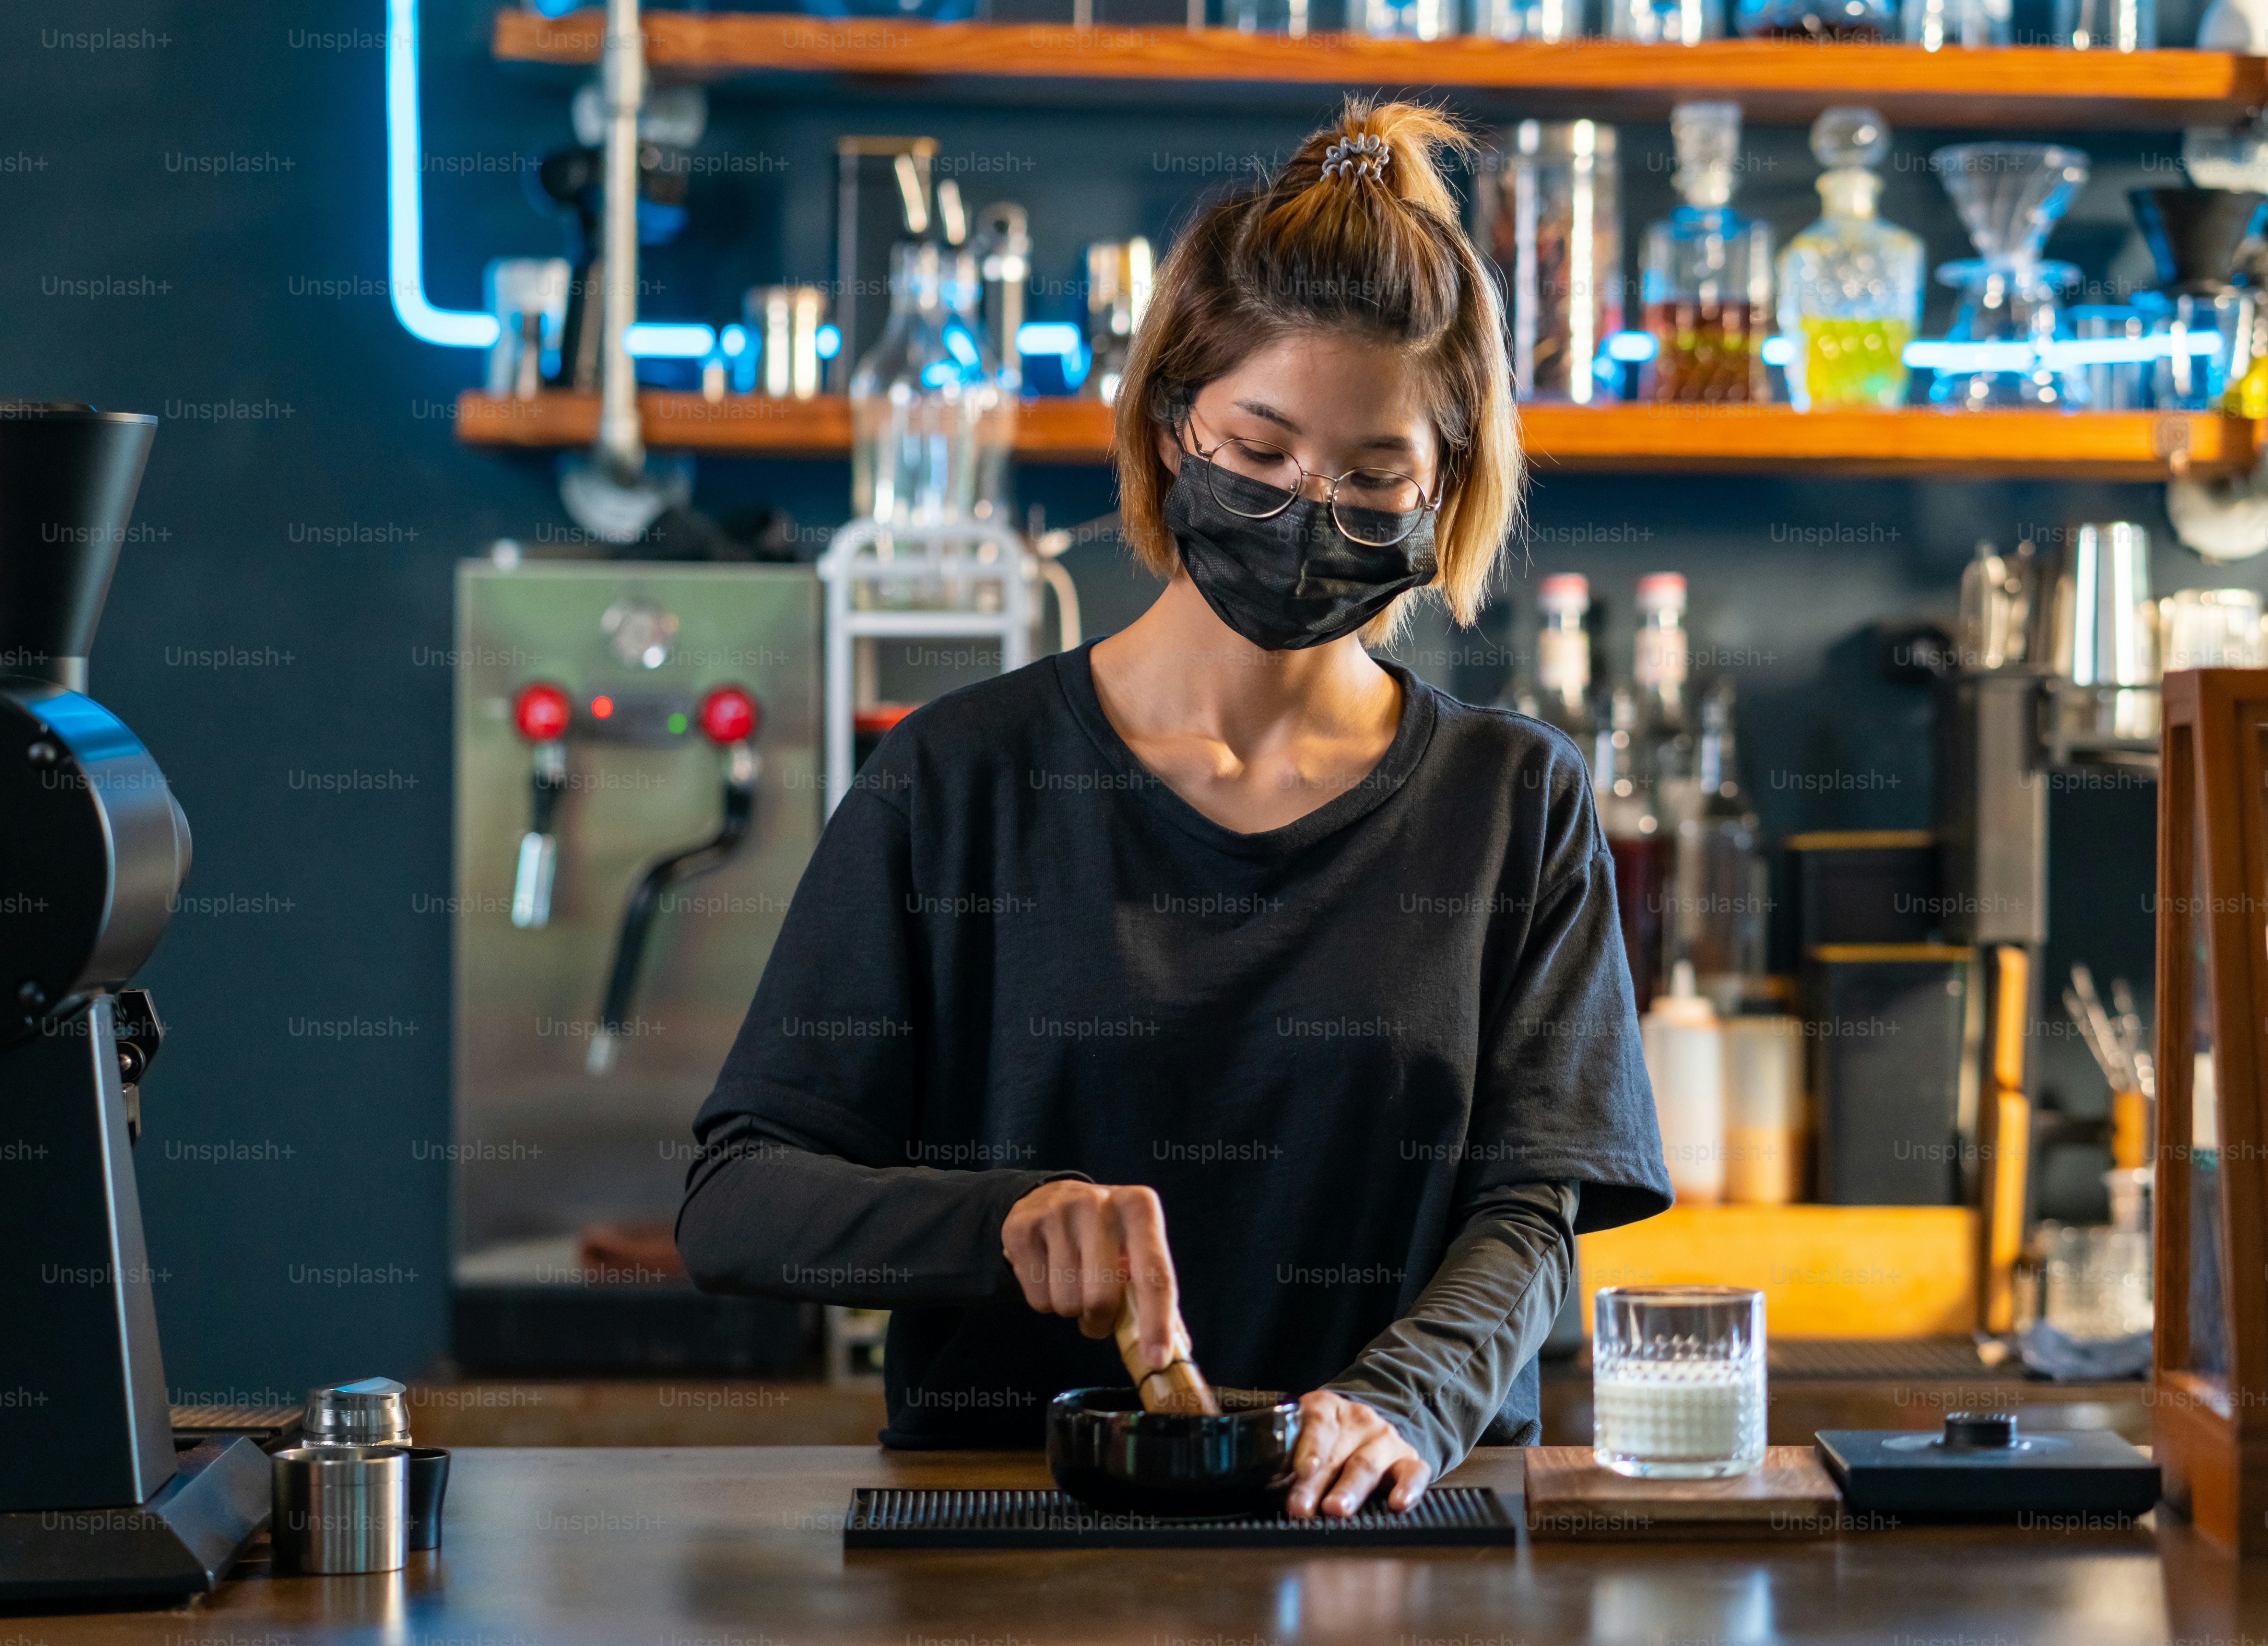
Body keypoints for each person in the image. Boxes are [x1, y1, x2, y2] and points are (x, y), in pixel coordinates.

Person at [678, 99, 1668, 1518]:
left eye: (1372, 476)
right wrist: (1001, 1220)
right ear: (1166, 427)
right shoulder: (956, 779)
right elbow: (737, 1200)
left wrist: (1408, 1399)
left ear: (1442, 492)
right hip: (1013, 1538)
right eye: (1258, 455)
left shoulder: (1510, 805)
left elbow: (1534, 1212)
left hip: (1387, 1527)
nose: (1307, 506)